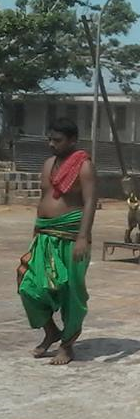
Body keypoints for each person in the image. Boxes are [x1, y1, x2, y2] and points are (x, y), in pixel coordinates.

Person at [17, 117, 97, 365]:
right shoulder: (48, 163)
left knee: (70, 290)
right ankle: (50, 330)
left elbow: (90, 202)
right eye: (49, 139)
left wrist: (83, 237)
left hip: (71, 236)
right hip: (43, 233)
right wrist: (35, 232)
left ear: (72, 140)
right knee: (28, 284)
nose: (52, 144)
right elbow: (43, 200)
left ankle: (67, 344)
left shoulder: (84, 166)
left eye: (58, 140)